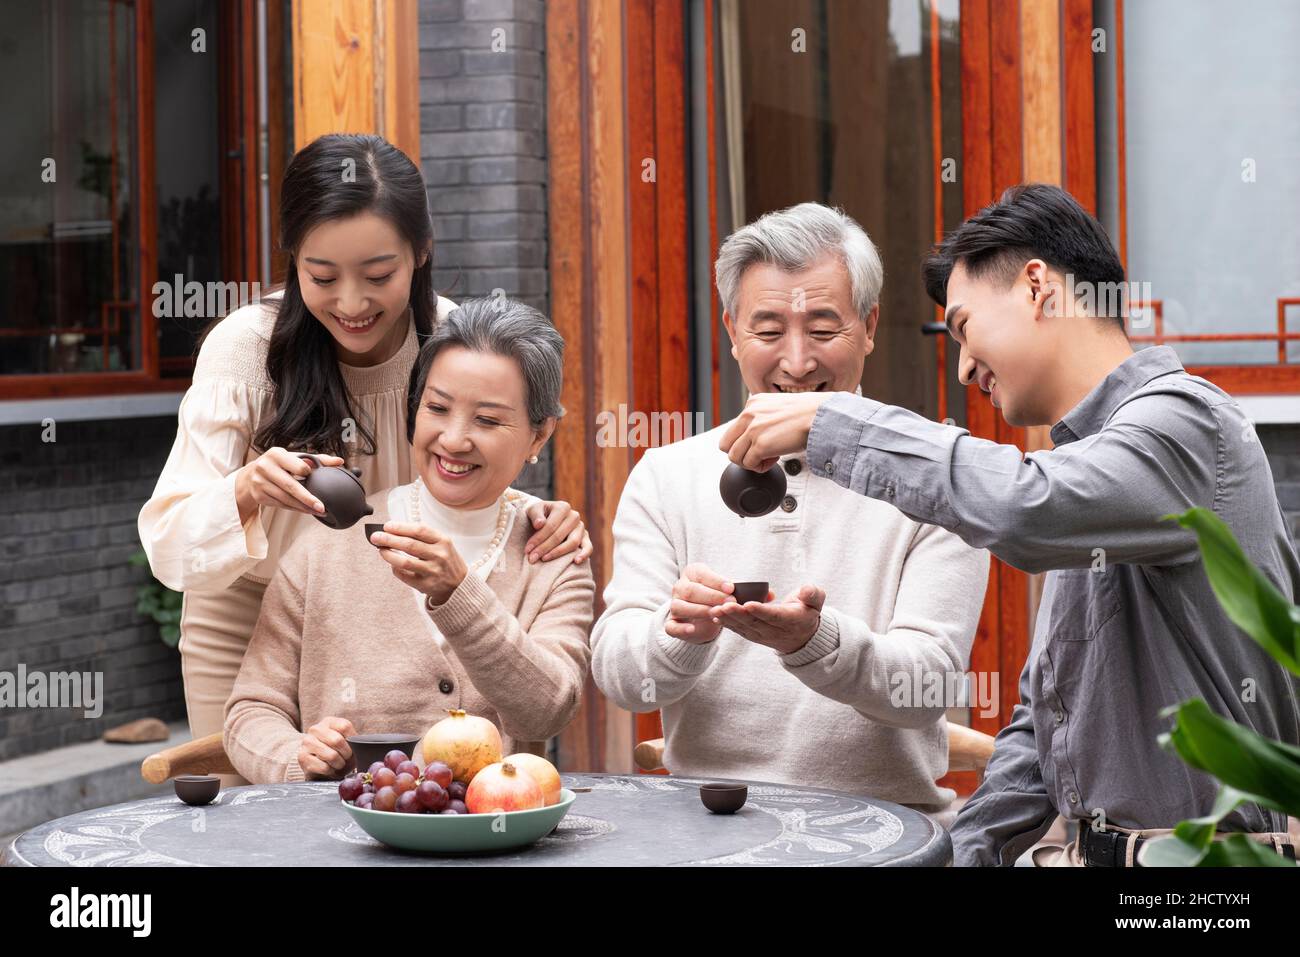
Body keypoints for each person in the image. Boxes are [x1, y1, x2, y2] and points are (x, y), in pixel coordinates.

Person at [719, 183, 1300, 865]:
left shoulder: (1188, 423)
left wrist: (835, 424)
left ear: (1037, 288)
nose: (964, 365)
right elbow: (1043, 728)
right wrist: (956, 854)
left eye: (964, 326)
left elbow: (1023, 506)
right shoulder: (1087, 470)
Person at [137, 135, 590, 783]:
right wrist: (244, 490)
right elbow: (169, 545)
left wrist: (539, 516)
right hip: (248, 619)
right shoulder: (246, 350)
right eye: (322, 276)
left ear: (422, 251)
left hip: (384, 620)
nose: (351, 303)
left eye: (379, 276)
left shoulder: (451, 339)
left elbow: (479, 471)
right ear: (293, 260)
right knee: (252, 818)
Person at [591, 203, 989, 819]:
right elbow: (619, 676)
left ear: (870, 325)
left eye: (824, 331)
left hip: (888, 833)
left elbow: (928, 687)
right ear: (731, 330)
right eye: (769, 332)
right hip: (709, 833)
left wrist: (816, 642)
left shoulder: (934, 471)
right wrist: (680, 635)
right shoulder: (667, 476)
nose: (798, 362)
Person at [224, 298, 594, 783]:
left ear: (538, 437)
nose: (455, 439)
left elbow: (547, 711)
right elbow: (250, 710)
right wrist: (297, 755)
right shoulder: (330, 542)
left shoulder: (553, 552)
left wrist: (458, 593)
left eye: (487, 420)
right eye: (437, 408)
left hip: (489, 842)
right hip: (345, 841)